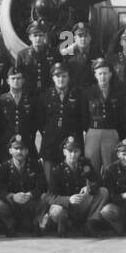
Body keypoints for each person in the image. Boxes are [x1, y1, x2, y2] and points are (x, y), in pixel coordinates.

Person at [40, 135, 108, 238]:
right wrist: (68, 199)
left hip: (82, 204)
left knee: (103, 191)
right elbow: (49, 196)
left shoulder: (85, 164)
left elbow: (99, 181)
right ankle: (64, 226)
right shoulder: (57, 170)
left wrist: (90, 187)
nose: (73, 155)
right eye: (70, 151)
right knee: (57, 211)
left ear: (80, 152)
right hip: (66, 207)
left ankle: (90, 224)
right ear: (64, 152)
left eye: (76, 151)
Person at [37, 61, 82, 192]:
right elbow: (40, 121)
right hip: (50, 145)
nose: (61, 79)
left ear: (69, 77)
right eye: (57, 76)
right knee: (49, 182)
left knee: (70, 180)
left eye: (64, 76)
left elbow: (81, 120)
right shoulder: (44, 97)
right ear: (53, 78)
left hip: (70, 145)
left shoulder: (77, 95)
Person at [0, 134, 44, 238]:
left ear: (27, 151)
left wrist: (30, 194)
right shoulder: (3, 167)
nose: (19, 152)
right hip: (12, 203)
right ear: (10, 151)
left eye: (22, 149)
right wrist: (12, 196)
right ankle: (11, 226)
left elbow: (42, 186)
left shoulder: (35, 165)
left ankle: (36, 224)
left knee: (44, 198)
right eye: (16, 149)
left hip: (30, 202)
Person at [81, 57, 122, 175]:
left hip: (111, 132)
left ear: (110, 74)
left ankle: (110, 192)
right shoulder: (88, 92)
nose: (102, 77)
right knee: (91, 166)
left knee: (110, 167)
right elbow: (83, 115)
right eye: (100, 74)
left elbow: (121, 116)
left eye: (105, 73)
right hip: (93, 132)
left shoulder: (118, 92)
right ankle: (92, 191)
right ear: (95, 75)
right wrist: (88, 130)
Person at [0, 65, 36, 165]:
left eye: (18, 78)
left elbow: (35, 122)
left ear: (23, 80)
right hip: (6, 144)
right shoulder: (1, 100)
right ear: (8, 81)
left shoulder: (31, 100)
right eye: (13, 78)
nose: (16, 81)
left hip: (26, 142)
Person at [16, 21, 58, 102]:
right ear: (29, 37)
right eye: (35, 35)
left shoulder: (53, 53)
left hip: (48, 95)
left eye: (40, 35)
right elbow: (18, 77)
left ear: (44, 36)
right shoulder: (22, 55)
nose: (38, 38)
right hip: (29, 95)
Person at [63, 22, 97, 91]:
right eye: (80, 36)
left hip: (92, 91)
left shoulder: (97, 53)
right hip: (74, 91)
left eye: (85, 36)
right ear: (75, 38)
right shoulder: (69, 54)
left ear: (90, 38)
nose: (83, 39)